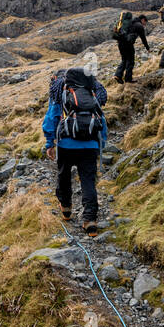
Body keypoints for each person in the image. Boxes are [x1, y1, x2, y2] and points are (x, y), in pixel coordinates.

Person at [43, 67, 108, 235]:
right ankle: (90, 220)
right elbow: (101, 118)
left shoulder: (62, 92)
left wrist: (50, 143)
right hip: (90, 144)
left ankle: (66, 208)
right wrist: (101, 143)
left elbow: (52, 116)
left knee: (64, 174)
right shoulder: (91, 93)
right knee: (88, 180)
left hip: (66, 144)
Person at [112, 14, 150, 84]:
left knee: (124, 59)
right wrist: (147, 47)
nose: (145, 24)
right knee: (130, 61)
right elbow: (143, 38)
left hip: (120, 43)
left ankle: (118, 75)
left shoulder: (129, 23)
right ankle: (128, 79)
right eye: (145, 22)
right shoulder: (139, 26)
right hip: (128, 44)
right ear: (143, 20)